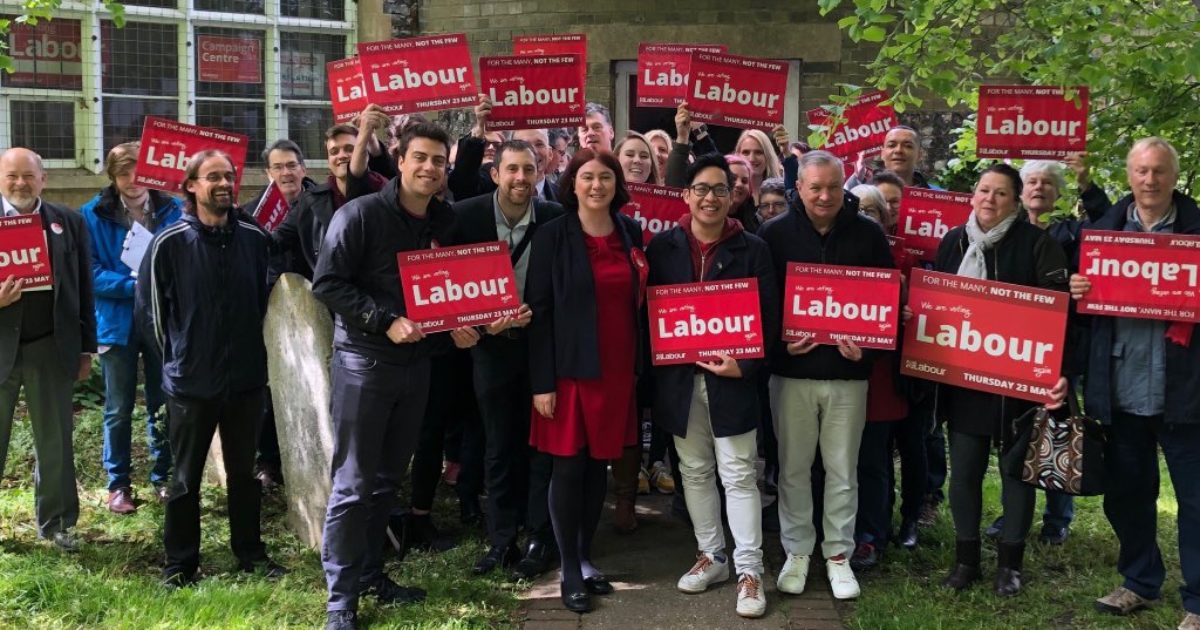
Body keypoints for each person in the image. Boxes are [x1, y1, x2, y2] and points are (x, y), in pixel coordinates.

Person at [314, 123, 481, 630]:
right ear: (400, 160)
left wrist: (456, 325)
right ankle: (341, 600)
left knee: (388, 481)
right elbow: (328, 284)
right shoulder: (359, 215)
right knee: (353, 484)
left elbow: (443, 290)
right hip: (364, 365)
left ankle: (371, 574)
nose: (430, 168)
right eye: (421, 158)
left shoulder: (445, 221)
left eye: (438, 161)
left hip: (417, 368)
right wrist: (384, 320)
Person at [137, 150, 285, 587]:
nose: (224, 183)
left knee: (244, 474)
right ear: (191, 186)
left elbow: (264, 306)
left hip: (244, 381)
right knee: (184, 480)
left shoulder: (255, 241)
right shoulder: (169, 243)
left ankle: (251, 554)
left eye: (229, 176)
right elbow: (151, 316)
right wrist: (179, 363)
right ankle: (180, 564)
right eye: (212, 177)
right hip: (191, 384)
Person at [1070, 138, 1200, 630]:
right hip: (1121, 389)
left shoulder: (1197, 233)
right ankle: (1139, 581)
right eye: (1142, 171)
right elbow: (1082, 321)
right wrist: (1078, 290)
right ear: (1129, 175)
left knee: (1196, 499)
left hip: (1186, 392)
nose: (1151, 180)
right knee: (1127, 493)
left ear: (1174, 176)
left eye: (1160, 171)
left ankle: (1199, 599)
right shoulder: (1102, 235)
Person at [646, 153, 779, 618]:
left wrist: (742, 365)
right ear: (686, 194)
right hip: (681, 383)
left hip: (732, 383)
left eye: (719, 189)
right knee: (695, 473)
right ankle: (713, 555)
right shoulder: (663, 249)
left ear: (732, 196)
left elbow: (769, 320)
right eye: (701, 188)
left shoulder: (754, 250)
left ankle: (750, 570)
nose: (709, 197)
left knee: (740, 475)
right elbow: (649, 317)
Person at [758, 150, 895, 601]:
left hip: (847, 377)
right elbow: (761, 304)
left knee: (842, 470)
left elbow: (884, 305)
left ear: (844, 187)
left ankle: (838, 555)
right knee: (794, 470)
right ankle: (798, 551)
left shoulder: (869, 235)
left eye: (833, 187)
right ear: (798, 187)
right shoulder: (773, 235)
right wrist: (780, 345)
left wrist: (868, 349)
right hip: (791, 374)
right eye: (815, 187)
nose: (824, 195)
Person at [929, 163, 1069, 596]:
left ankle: (1011, 564)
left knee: (1016, 474)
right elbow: (936, 301)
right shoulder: (953, 242)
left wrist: (1059, 373)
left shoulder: (1037, 244)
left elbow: (1061, 315)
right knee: (965, 471)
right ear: (972, 195)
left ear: (1015, 200)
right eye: (983, 191)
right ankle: (966, 559)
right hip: (964, 380)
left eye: (1001, 193)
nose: (989, 199)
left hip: (1018, 384)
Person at [526, 148, 645, 613]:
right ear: (572, 184)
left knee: (600, 466)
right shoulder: (553, 235)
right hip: (569, 370)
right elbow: (539, 312)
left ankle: (588, 556)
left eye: (606, 178)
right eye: (587, 177)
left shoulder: (630, 232)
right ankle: (570, 568)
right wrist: (542, 383)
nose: (597, 185)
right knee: (569, 467)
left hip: (617, 369)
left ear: (617, 185)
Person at [982, 156, 1112, 546]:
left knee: (1059, 429)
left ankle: (1057, 518)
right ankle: (1013, 513)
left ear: (1057, 193)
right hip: (1014, 345)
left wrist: (1087, 181)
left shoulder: (1076, 232)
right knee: (1018, 433)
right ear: (1020, 192)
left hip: (1062, 344)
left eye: (1047, 183)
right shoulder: (1008, 232)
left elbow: (1108, 228)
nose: (1039, 188)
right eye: (1032, 182)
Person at [453, 140, 564, 580]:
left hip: (539, 348)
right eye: (512, 169)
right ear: (495, 173)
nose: (521, 178)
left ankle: (539, 536)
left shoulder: (555, 219)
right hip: (490, 350)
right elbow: (442, 280)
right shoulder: (467, 217)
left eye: (529, 170)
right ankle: (501, 539)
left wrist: (537, 310)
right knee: (498, 445)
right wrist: (469, 326)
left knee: (542, 447)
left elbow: (563, 286)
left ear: (540, 173)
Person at [0, 148, 94, 551]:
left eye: (28, 176)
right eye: (11, 176)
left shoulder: (67, 222)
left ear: (43, 179)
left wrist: (86, 349)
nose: (20, 183)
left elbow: (84, 288)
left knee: (55, 439)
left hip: (50, 348)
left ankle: (56, 524)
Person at [80, 142, 182, 513]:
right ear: (113, 176)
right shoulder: (92, 214)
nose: (133, 181)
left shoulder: (174, 208)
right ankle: (118, 484)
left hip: (162, 322)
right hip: (116, 323)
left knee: (164, 401)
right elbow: (88, 274)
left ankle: (163, 478)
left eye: (139, 173)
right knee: (118, 407)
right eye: (124, 174)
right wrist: (136, 286)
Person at [271, 109, 392, 281]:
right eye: (334, 151)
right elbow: (275, 242)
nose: (341, 156)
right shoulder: (311, 200)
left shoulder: (384, 192)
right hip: (331, 295)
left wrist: (367, 136)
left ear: (363, 152)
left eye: (349, 149)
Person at [736, 129, 783, 193]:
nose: (751, 159)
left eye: (758, 152)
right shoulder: (730, 194)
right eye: (746, 152)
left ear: (768, 156)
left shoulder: (781, 192)